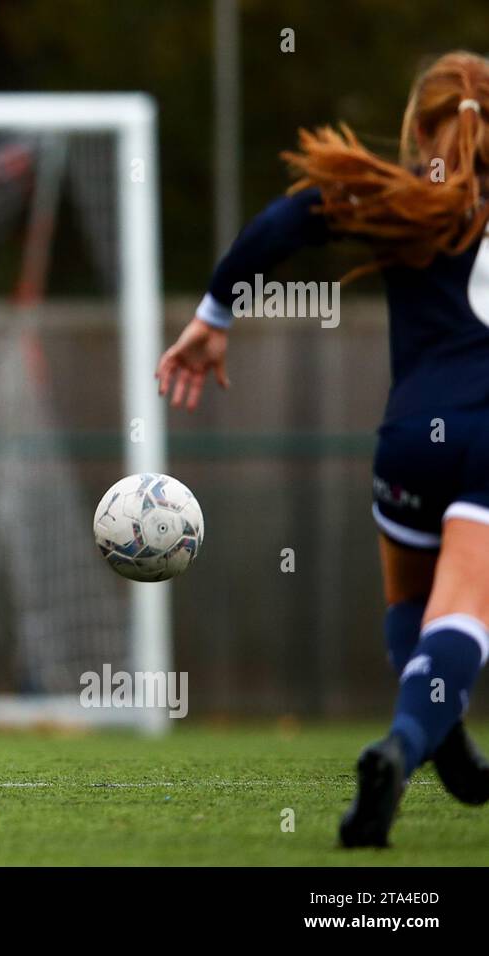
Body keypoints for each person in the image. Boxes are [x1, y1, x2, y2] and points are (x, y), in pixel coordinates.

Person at [156, 50, 489, 847]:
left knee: (411, 606)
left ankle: (444, 746)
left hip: (410, 437)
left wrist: (214, 316)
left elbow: (284, 223)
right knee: (465, 610)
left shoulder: (405, 198)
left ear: (418, 126)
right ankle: (406, 746)